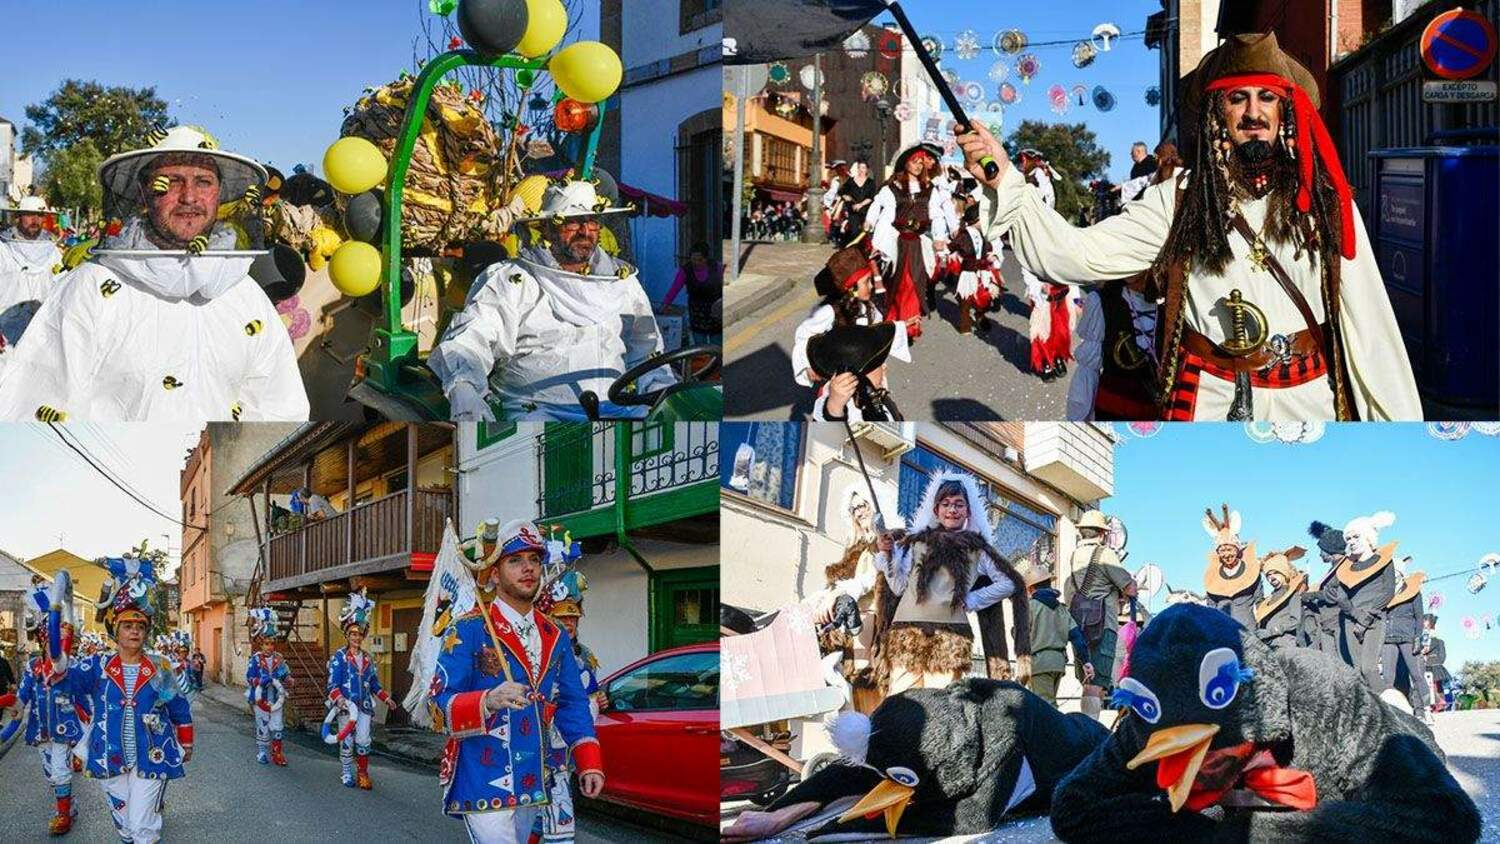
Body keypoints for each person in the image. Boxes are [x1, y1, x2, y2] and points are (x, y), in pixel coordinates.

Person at [958, 32, 1420, 421]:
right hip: (1208, 406)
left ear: (1285, 114)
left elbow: (1372, 332)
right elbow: (1072, 255)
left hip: (1308, 404)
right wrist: (1005, 177)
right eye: (1238, 99)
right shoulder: (1177, 198)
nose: (1254, 114)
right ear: (1219, 114)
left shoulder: (1322, 200)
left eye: (1267, 99)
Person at [0, 126, 309, 422]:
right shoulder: (88, 289)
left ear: (218, 194)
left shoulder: (246, 296)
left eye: (203, 182)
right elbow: (38, 404)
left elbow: (278, 407)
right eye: (172, 181)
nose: (189, 197)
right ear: (145, 194)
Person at [418, 519, 603, 844]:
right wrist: (486, 700)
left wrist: (589, 761)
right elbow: (437, 704)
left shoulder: (555, 633)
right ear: (494, 572)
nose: (527, 568)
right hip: (482, 775)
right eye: (515, 560)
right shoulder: (468, 629)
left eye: (534, 559)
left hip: (533, 774)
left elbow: (572, 702)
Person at [431, 180, 675, 421]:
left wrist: (663, 394)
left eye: (591, 221)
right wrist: (464, 388)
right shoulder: (512, 280)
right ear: (546, 228)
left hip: (615, 408)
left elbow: (647, 350)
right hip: (534, 411)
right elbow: (472, 338)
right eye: (572, 222)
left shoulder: (623, 283)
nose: (585, 231)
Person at [50, 548, 192, 844]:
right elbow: (65, 681)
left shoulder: (160, 666)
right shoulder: (98, 665)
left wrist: (186, 739)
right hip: (108, 754)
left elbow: (178, 705)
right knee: (125, 826)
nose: (135, 631)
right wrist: (59, 656)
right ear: (116, 629)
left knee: (142, 826)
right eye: (128, 626)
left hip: (152, 752)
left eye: (140, 626)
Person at [869, 471, 1032, 695]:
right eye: (945, 504)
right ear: (936, 510)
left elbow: (1010, 583)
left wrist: (973, 599)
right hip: (907, 634)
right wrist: (888, 556)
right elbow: (898, 586)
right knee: (900, 705)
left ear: (968, 511)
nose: (952, 510)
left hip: (950, 639)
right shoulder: (916, 543)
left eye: (958, 504)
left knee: (943, 709)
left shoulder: (976, 548)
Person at [792, 244, 911, 421]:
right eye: (866, 282)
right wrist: (810, 365)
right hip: (843, 379)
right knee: (841, 410)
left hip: (869, 375)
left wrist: (901, 326)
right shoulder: (829, 312)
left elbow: (877, 332)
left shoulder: (870, 308)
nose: (871, 286)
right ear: (851, 287)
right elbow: (803, 335)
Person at [533, 564, 602, 844]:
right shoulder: (536, 653)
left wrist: (598, 702)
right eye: (562, 617)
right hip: (537, 744)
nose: (569, 624)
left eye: (573, 618)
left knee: (551, 812)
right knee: (543, 813)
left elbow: (587, 697)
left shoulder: (585, 655)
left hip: (567, 746)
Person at [865, 143, 957, 341]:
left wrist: (940, 239)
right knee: (896, 284)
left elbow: (938, 216)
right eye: (914, 162)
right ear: (905, 163)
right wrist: (869, 221)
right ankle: (893, 322)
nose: (918, 166)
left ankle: (909, 326)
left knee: (915, 282)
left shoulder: (929, 189)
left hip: (916, 243)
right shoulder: (893, 187)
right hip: (896, 242)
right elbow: (878, 205)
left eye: (920, 163)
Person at [16, 581, 84, 835]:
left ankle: (63, 815)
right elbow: (23, 694)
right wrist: (16, 705)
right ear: (44, 641)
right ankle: (69, 805)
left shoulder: (67, 664)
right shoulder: (33, 666)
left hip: (63, 729)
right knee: (51, 775)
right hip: (40, 730)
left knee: (60, 772)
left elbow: (79, 693)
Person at [1062, 510, 1136, 718]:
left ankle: (1085, 729)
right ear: (1102, 534)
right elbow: (1129, 587)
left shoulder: (1074, 557)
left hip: (1079, 625)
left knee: (1086, 680)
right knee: (1097, 684)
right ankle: (1091, 733)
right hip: (1103, 625)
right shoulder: (1105, 554)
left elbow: (1070, 593)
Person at [326, 589, 402, 789]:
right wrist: (339, 699)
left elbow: (375, 684)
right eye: (353, 634)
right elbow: (332, 685)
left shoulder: (368, 658)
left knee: (363, 740)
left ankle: (362, 774)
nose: (357, 637)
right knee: (347, 741)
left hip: (365, 707)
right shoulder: (339, 657)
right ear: (347, 634)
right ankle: (345, 773)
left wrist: (386, 699)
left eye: (360, 634)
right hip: (345, 706)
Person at [1014, 150, 1073, 382]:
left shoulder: (1054, 222)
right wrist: (1034, 288)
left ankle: (1058, 354)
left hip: (1059, 285)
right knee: (1042, 324)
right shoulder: (1028, 228)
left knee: (1060, 324)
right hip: (1041, 286)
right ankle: (1044, 360)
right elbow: (1025, 259)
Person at [1337, 511, 1398, 692]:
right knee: (1357, 672)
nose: (1352, 542)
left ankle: (1390, 710)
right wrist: (1355, 614)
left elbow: (1388, 591)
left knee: (1369, 669)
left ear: (1368, 536)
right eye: (1348, 539)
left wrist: (1368, 616)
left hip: (1374, 620)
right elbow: (1339, 595)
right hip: (1351, 621)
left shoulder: (1385, 561)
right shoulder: (1346, 567)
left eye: (1356, 536)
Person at [0, 195, 64, 364]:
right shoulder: (3, 250)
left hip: (41, 330)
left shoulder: (53, 251)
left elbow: (61, 287)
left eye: (40, 215)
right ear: (18, 217)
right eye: (29, 214)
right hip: (5, 329)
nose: (35, 220)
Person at [1025, 564, 1093, 708]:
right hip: (1058, 663)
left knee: (1045, 707)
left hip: (1039, 662)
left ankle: (1055, 731)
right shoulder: (1062, 610)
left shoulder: (1030, 607)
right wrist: (1086, 661)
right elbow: (1077, 638)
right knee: (1047, 702)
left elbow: (1019, 633)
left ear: (1030, 588)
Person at [1382, 561, 1430, 723]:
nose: (1392, 576)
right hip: (1388, 638)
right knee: (1388, 677)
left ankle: (1422, 710)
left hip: (1408, 636)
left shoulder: (1413, 591)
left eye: (1395, 572)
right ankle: (1392, 712)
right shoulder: (1385, 592)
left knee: (1416, 674)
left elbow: (1419, 617)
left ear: (1401, 574)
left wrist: (1418, 637)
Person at [1201, 504, 1262, 628]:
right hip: (1222, 632)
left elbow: (1260, 602)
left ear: (1237, 550)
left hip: (1248, 631)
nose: (1227, 554)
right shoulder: (1212, 577)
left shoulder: (1252, 572)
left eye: (1229, 549)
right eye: (1222, 551)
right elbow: (1211, 607)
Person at [245, 607, 291, 766]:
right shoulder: (255, 660)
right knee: (263, 724)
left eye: (272, 643)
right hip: (261, 698)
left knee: (277, 726)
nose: (269, 647)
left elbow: (285, 673)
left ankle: (277, 752)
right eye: (266, 644)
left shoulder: (279, 658)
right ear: (260, 644)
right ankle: (262, 751)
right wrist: (261, 681)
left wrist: (288, 679)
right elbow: (250, 677)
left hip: (277, 697)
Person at [1302, 519, 1353, 662]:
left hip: (1338, 623)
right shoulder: (1334, 568)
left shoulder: (1344, 568)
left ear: (1331, 550)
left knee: (1341, 664)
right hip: (1327, 623)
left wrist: (1312, 595)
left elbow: (1336, 595)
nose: (1320, 554)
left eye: (1321, 550)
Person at [950, 200, 1003, 337]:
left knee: (983, 296)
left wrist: (991, 256)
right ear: (976, 220)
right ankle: (965, 325)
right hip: (968, 272)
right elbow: (952, 247)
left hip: (982, 271)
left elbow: (987, 249)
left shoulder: (982, 234)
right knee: (966, 298)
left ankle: (980, 317)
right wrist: (943, 249)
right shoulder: (964, 235)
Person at [661, 241, 722, 347]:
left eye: (700, 260)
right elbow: (675, 289)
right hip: (697, 314)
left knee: (716, 344)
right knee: (699, 346)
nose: (696, 262)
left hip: (715, 314)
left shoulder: (716, 267)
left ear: (706, 259)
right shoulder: (685, 271)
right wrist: (666, 304)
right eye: (693, 259)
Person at [1253, 546, 1308, 648]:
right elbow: (1258, 602)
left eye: (1275, 573)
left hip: (1287, 641)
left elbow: (1295, 621)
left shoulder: (1292, 594)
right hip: (1270, 642)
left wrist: (1273, 631)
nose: (1271, 578)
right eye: (1268, 575)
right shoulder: (1269, 599)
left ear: (1284, 573)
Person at [836, 159, 877, 246]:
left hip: (866, 210)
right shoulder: (850, 181)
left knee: (865, 231)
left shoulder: (870, 182)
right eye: (859, 168)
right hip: (853, 211)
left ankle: (864, 249)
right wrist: (845, 196)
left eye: (863, 168)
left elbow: (871, 197)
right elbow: (841, 191)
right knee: (854, 231)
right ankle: (854, 248)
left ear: (867, 170)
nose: (861, 170)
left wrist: (861, 204)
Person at [1421, 614, 1452, 712]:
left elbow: (1442, 656)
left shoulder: (1438, 640)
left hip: (1435, 666)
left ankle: (1440, 704)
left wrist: (1432, 659)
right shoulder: (1421, 638)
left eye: (1426, 621)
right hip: (1424, 665)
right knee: (1426, 686)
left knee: (1437, 685)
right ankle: (1428, 704)